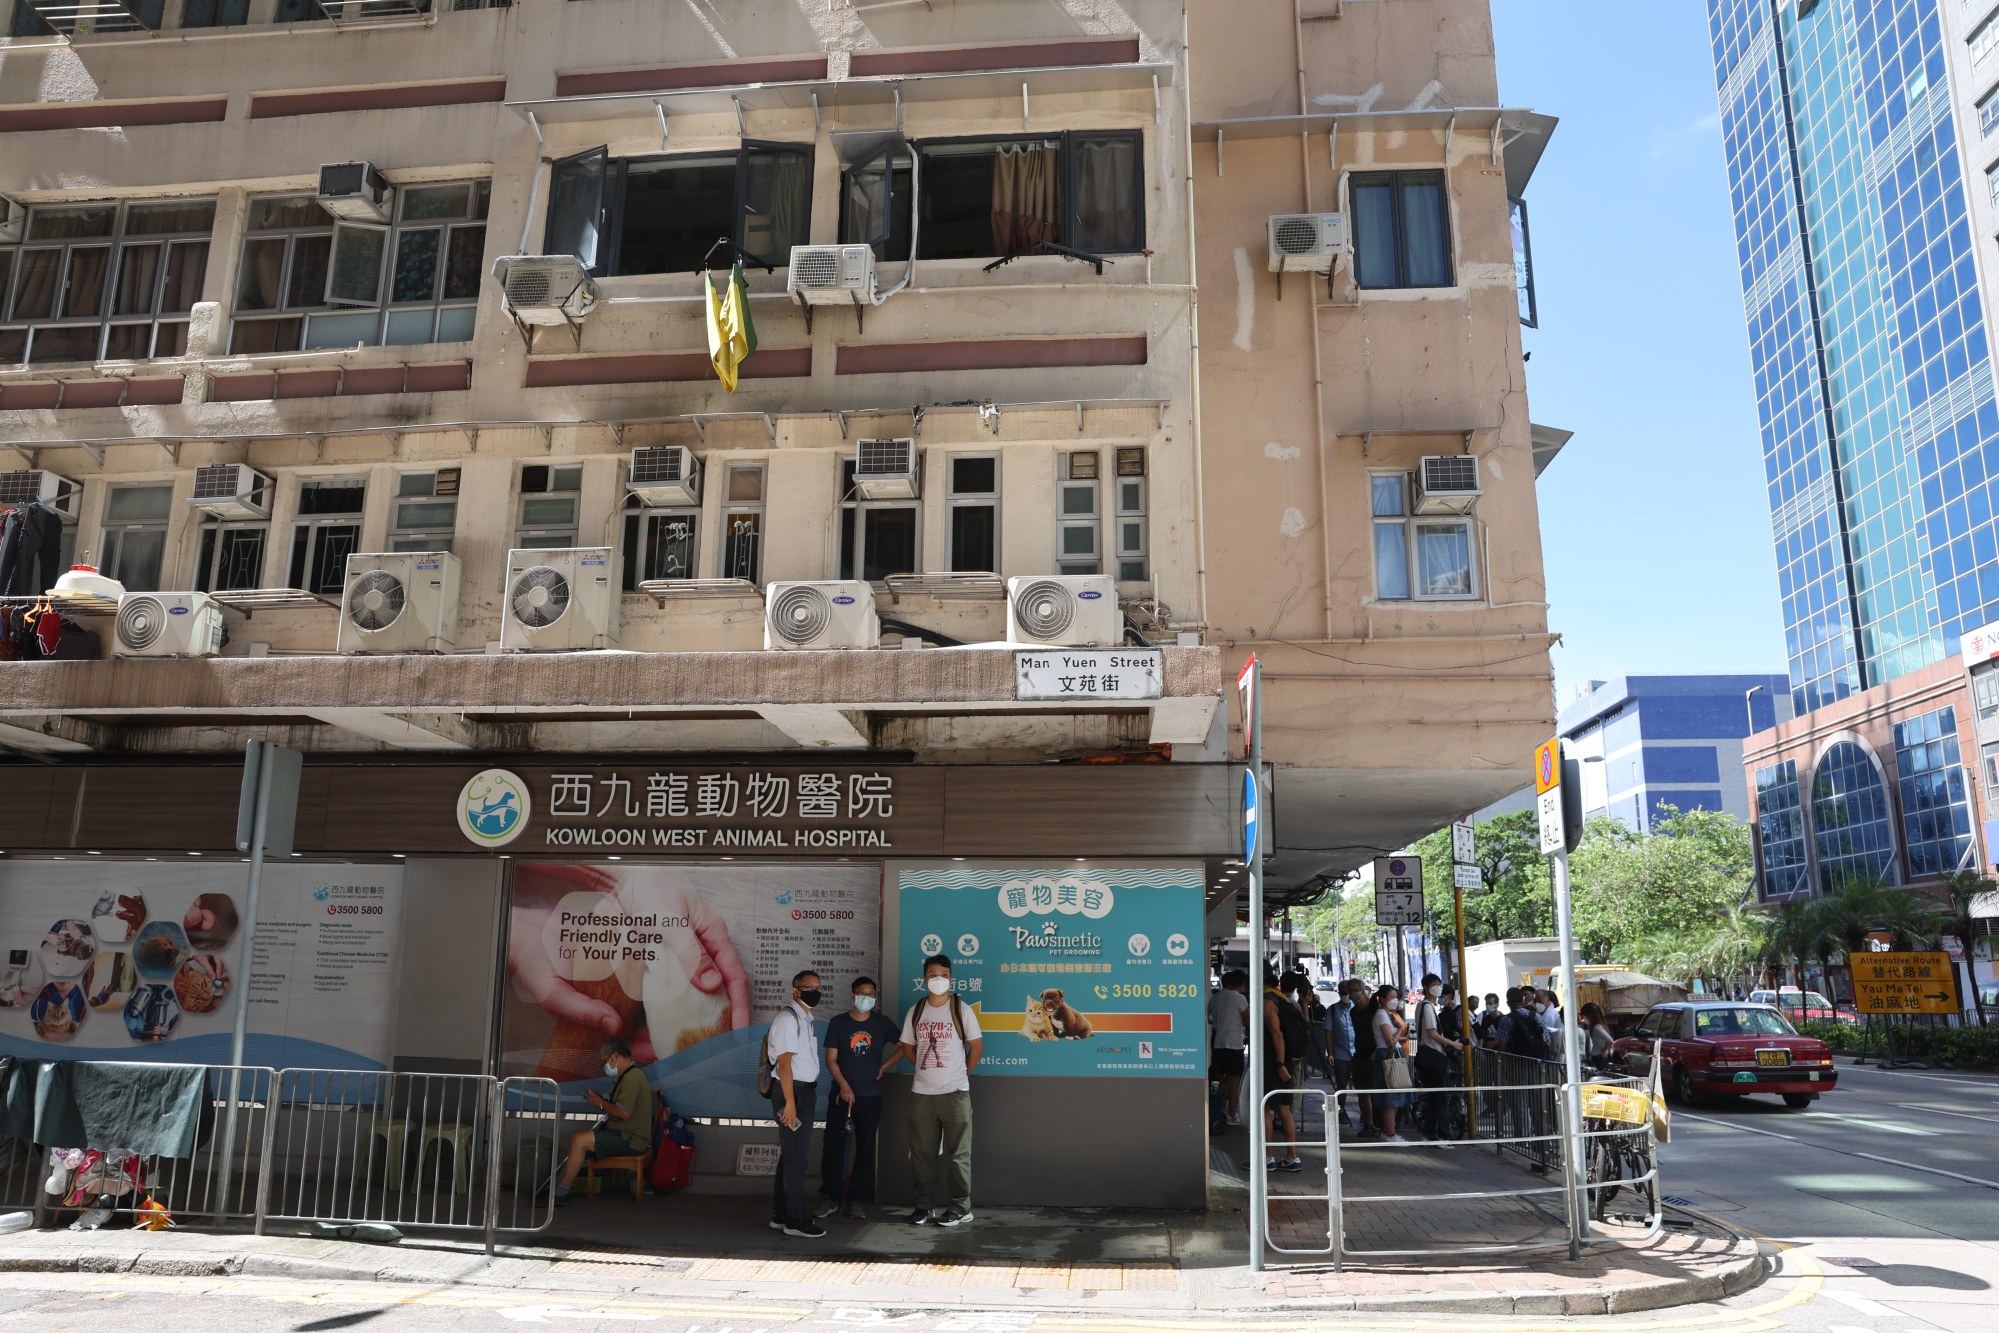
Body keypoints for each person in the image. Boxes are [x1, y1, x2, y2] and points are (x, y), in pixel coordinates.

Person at [899, 954, 983, 1227]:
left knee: (959, 1154)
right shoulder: (917, 1010)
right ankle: (924, 1206)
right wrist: (923, 1069)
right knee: (922, 1154)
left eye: (944, 974)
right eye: (933, 974)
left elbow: (976, 1047)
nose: (939, 979)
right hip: (922, 1094)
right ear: (924, 979)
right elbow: (908, 1048)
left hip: (955, 1093)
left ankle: (960, 1206)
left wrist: (961, 1074)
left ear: (951, 978)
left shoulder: (962, 1009)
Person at [816, 976, 903, 1221]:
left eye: (871, 994)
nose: (867, 998)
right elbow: (830, 1060)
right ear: (853, 995)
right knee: (833, 1146)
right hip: (841, 1095)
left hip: (871, 1096)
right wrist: (843, 1085)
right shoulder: (839, 1023)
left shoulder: (882, 1023)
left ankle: (855, 1200)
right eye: (862, 993)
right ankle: (830, 1197)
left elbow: (906, 1045)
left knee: (865, 1149)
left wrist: (885, 1065)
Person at [552, 1039, 652, 1204]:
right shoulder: (626, 1075)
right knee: (579, 1138)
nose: (603, 1066)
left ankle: (561, 1192)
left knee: (579, 1140)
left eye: (604, 1062)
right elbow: (618, 1106)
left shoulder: (632, 1078)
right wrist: (602, 1100)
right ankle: (560, 1187)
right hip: (624, 1134)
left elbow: (624, 1113)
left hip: (631, 1139)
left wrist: (600, 1103)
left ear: (616, 1056)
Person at [764, 970, 826, 1238]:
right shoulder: (788, 1020)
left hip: (801, 1093)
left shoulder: (805, 1018)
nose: (815, 991)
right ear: (795, 990)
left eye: (818, 987)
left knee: (789, 1157)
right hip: (793, 1094)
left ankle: (781, 1215)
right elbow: (785, 1065)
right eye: (808, 987)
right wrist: (790, 1103)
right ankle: (795, 1220)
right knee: (796, 1158)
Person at [1417, 982, 1466, 1143]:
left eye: (1439, 984)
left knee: (1434, 1098)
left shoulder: (1423, 1006)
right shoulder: (1427, 1007)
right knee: (1441, 1098)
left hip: (1428, 1056)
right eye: (1434, 985)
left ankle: (1429, 1133)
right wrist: (1452, 1044)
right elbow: (1432, 1033)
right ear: (1426, 987)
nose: (1438, 988)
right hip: (1434, 1057)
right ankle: (1444, 1136)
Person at [1369, 984, 1413, 1141]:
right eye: (1391, 998)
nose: (1395, 1000)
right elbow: (1389, 1041)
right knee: (1390, 1097)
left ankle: (1389, 1130)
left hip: (1391, 1054)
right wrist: (1400, 1030)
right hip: (1388, 1055)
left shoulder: (1386, 1014)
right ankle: (1390, 1133)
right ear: (1381, 999)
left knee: (1394, 1096)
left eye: (1396, 997)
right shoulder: (1381, 1015)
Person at [1207, 971, 1250, 1127]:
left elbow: (1209, 1018)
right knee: (1234, 1078)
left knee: (1222, 1077)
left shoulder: (1215, 998)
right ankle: (1233, 1113)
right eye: (1243, 985)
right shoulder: (1239, 998)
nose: (1244, 988)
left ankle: (1218, 1110)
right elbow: (1247, 1018)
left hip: (1218, 1042)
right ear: (1236, 984)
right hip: (1234, 1043)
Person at [1323, 980, 1357, 1127]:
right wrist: (1329, 1053)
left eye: (1349, 993)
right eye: (1344, 993)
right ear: (1339, 993)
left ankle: (1367, 1117)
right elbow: (1328, 1032)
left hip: (1357, 1052)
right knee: (1341, 1084)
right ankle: (1340, 1110)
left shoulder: (1357, 1009)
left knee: (1362, 1085)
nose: (1347, 996)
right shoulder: (1332, 1010)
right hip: (1340, 1053)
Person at [1579, 1002, 1615, 1069]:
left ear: (1589, 1015)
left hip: (1598, 1057)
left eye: (1585, 1016)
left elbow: (1610, 1041)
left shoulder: (1596, 1027)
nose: (1584, 1018)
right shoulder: (1599, 1025)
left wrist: (1603, 1050)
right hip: (1598, 1056)